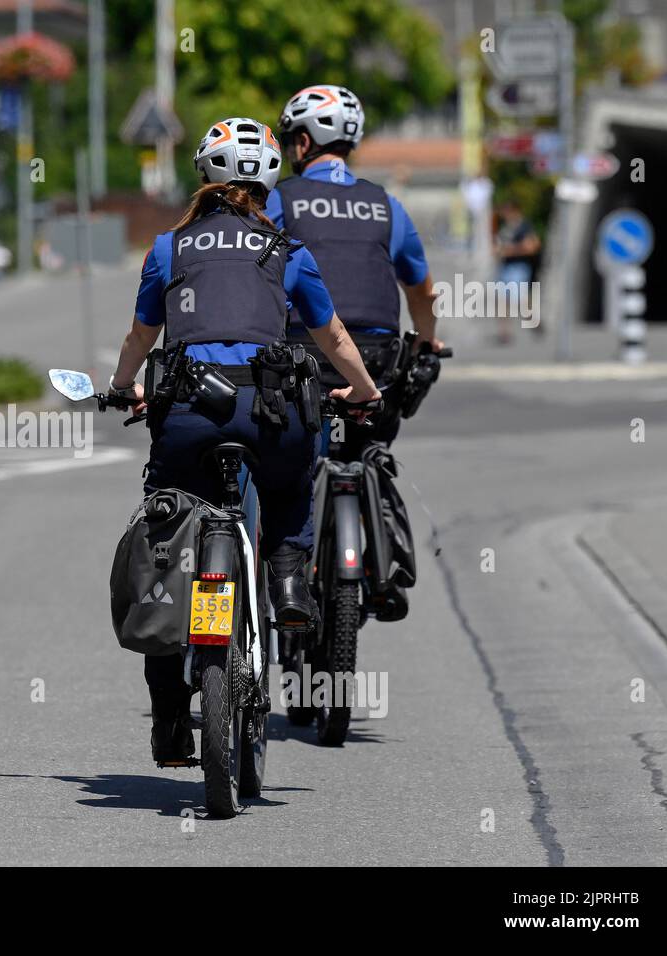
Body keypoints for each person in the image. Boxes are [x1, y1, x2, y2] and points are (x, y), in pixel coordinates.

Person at [111, 117, 381, 762]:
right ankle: (288, 584)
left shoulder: (168, 249)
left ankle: (171, 719)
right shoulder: (288, 252)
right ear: (265, 181)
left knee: (169, 549)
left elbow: (140, 337)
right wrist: (365, 391)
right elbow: (334, 338)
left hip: (187, 414)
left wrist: (124, 386)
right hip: (273, 413)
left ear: (205, 175)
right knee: (288, 489)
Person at [273, 83, 443, 439]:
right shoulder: (386, 205)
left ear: (304, 142)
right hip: (377, 359)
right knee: (373, 449)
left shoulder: (280, 199)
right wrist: (427, 343)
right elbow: (422, 292)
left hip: (303, 353)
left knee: (281, 470)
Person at [493, 199, 542, 344]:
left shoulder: (524, 226)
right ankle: (504, 332)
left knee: (520, 301)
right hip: (505, 267)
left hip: (519, 267)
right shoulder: (505, 228)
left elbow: (532, 246)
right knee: (502, 300)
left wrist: (510, 251)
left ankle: (534, 321)